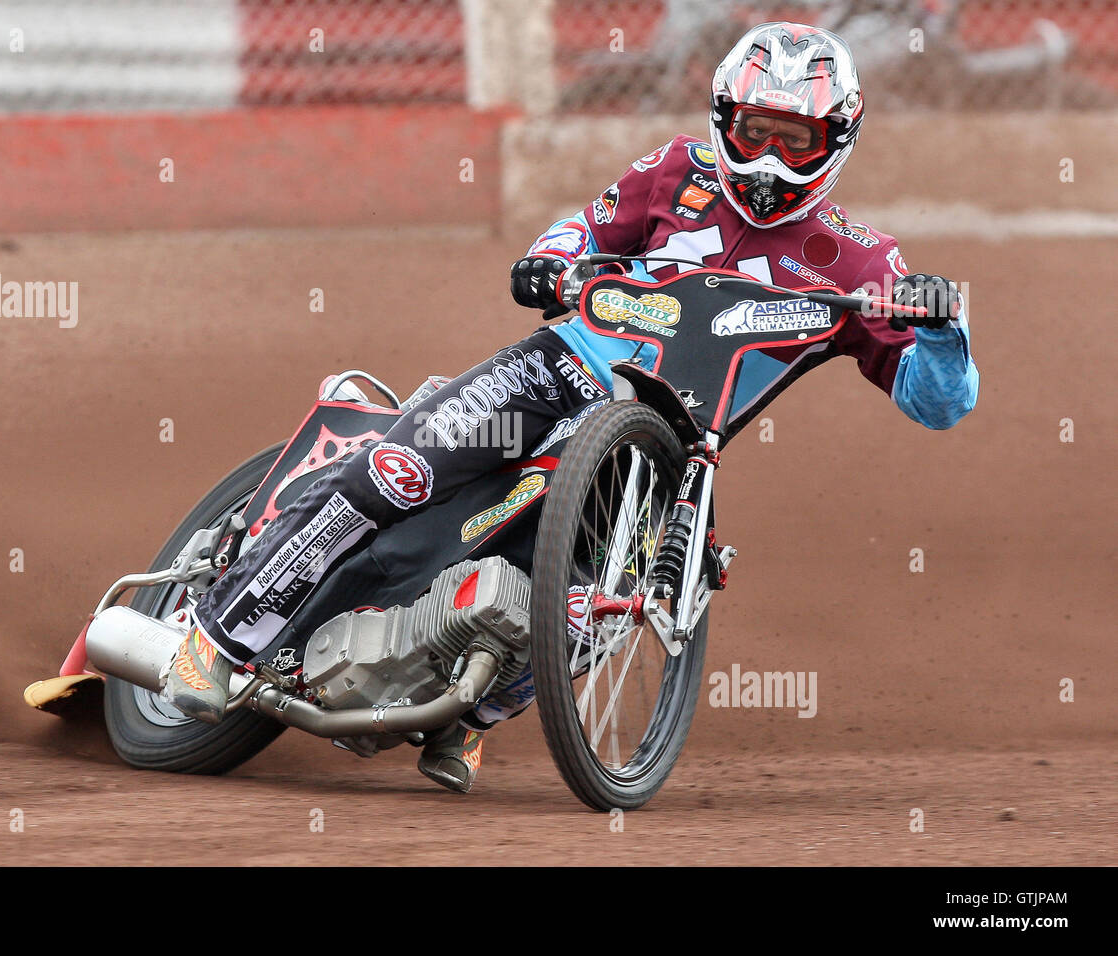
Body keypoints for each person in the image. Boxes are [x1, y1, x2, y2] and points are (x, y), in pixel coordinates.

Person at [161, 21, 979, 793]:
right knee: (403, 469)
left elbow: (938, 405)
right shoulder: (676, 171)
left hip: (674, 444)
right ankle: (219, 635)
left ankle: (469, 710)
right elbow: (581, 230)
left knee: (608, 603)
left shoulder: (863, 260)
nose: (767, 158)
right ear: (722, 120)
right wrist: (548, 266)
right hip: (563, 369)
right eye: (753, 131)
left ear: (835, 143)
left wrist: (943, 331)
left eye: (793, 139)